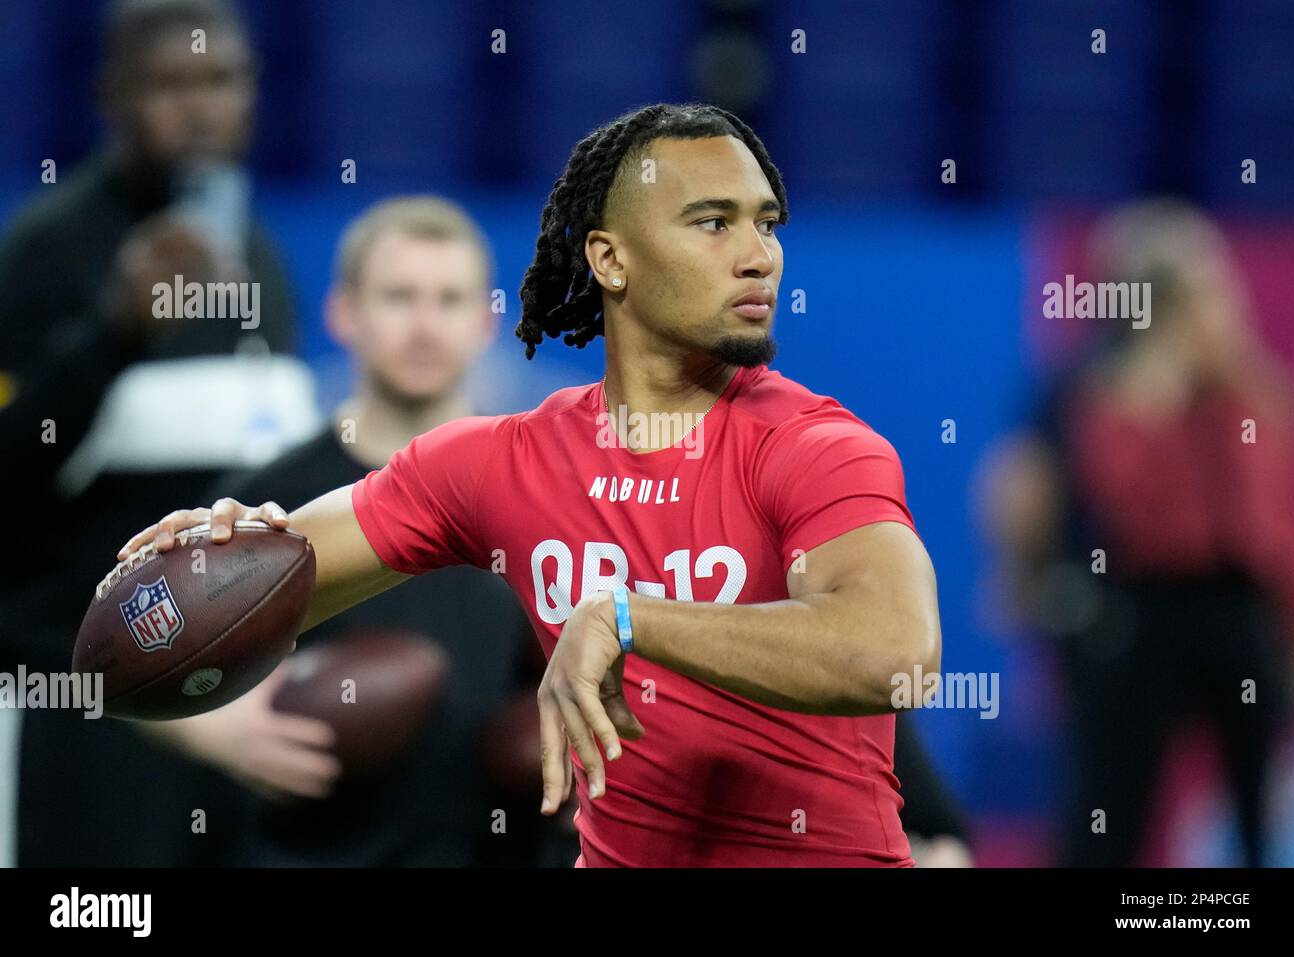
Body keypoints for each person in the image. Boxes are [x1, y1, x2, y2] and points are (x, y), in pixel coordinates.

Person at [119, 103, 943, 867]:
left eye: (767, 223)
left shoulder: (819, 448)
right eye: (713, 222)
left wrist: (627, 615)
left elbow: (896, 650)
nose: (759, 254)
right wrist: (211, 556)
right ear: (610, 259)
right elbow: (256, 591)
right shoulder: (497, 462)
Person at [140, 197, 551, 866]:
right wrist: (207, 729)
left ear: (486, 323)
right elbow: (130, 662)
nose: (425, 325)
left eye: (449, 300)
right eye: (399, 296)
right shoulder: (264, 500)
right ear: (344, 313)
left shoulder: (537, 490)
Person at [0, 0, 309, 866]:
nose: (200, 106)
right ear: (112, 96)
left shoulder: (257, 253)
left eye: (221, 80)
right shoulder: (50, 252)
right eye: (170, 84)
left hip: (234, 711)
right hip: (87, 715)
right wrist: (110, 334)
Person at [980, 198, 1294, 866]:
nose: (1225, 309)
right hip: (1124, 611)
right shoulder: (1090, 386)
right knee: (1108, 800)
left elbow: (1273, 517)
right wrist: (1021, 576)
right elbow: (1023, 488)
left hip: (1236, 612)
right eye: (1206, 294)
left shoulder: (1247, 390)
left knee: (1257, 800)